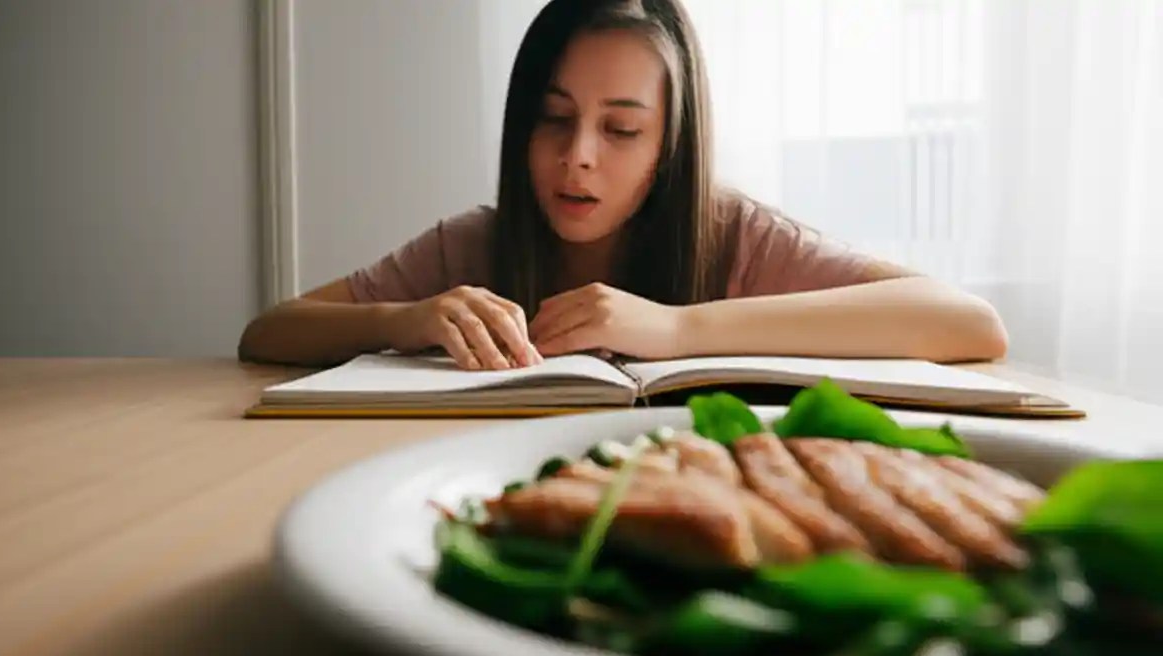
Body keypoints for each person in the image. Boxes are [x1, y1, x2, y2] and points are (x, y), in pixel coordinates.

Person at [238, 0, 1008, 371]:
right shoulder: (479, 242)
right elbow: (269, 332)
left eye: (621, 129)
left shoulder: (735, 236)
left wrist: (678, 330)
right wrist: (405, 318)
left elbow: (968, 324)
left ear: (670, 144)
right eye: (552, 119)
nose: (577, 157)